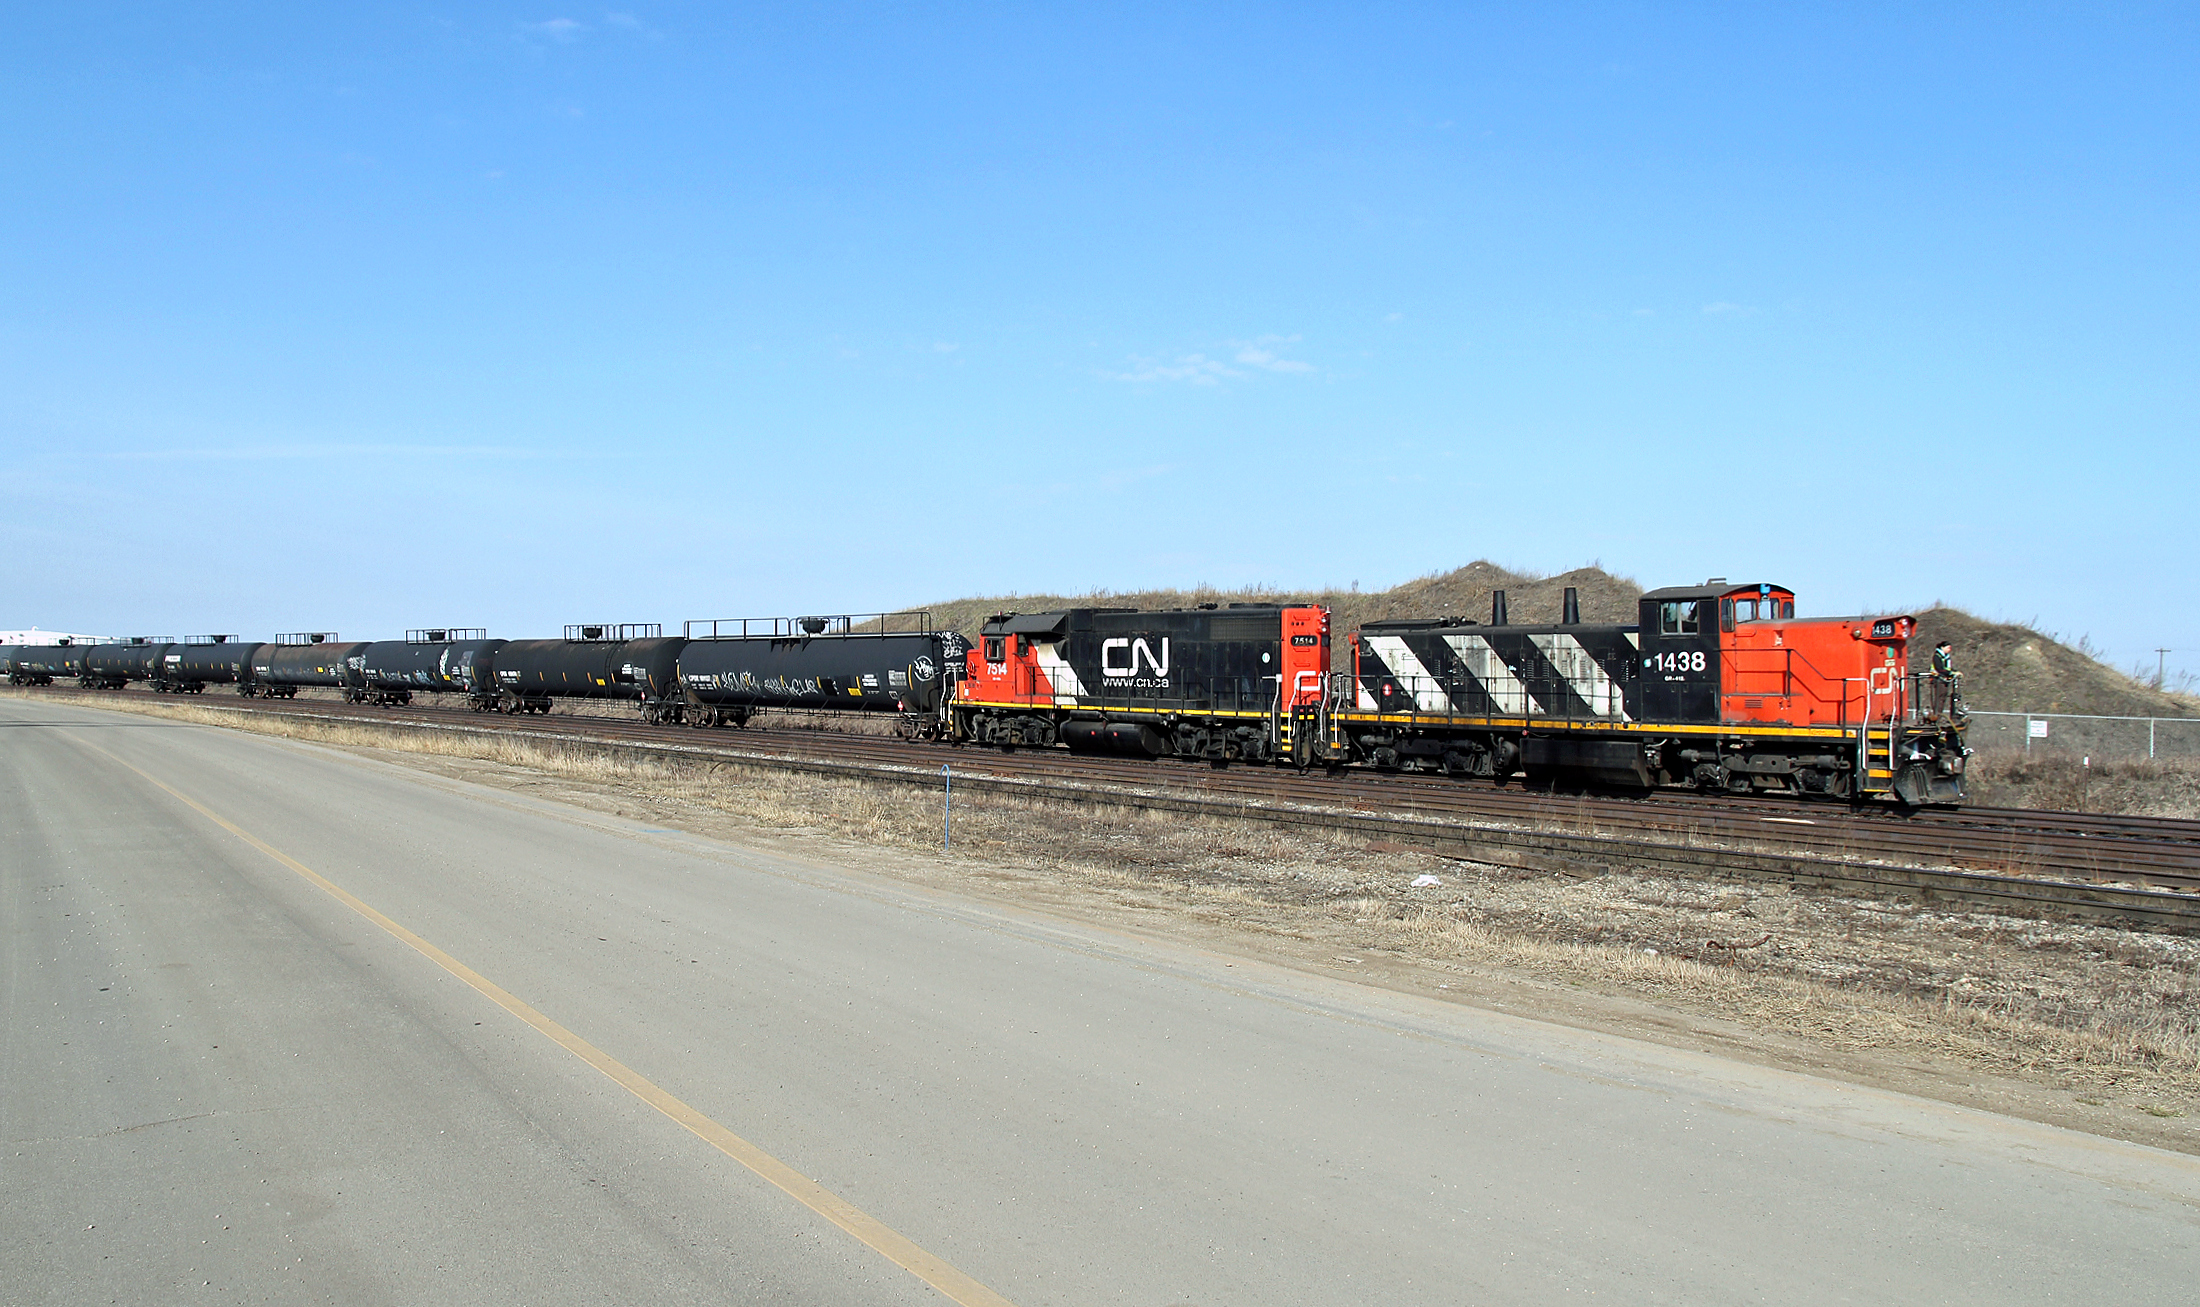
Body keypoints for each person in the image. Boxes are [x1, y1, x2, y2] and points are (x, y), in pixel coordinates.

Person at [1927, 640, 1958, 721]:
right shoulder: (1937, 656)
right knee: (1939, 697)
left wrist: (1954, 672)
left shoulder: (1947, 657)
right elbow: (1939, 668)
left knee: (1943, 697)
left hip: (1945, 679)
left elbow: (1948, 668)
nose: (1949, 649)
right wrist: (1950, 673)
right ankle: (1936, 715)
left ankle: (1939, 715)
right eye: (1948, 647)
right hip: (1938, 679)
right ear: (1942, 647)